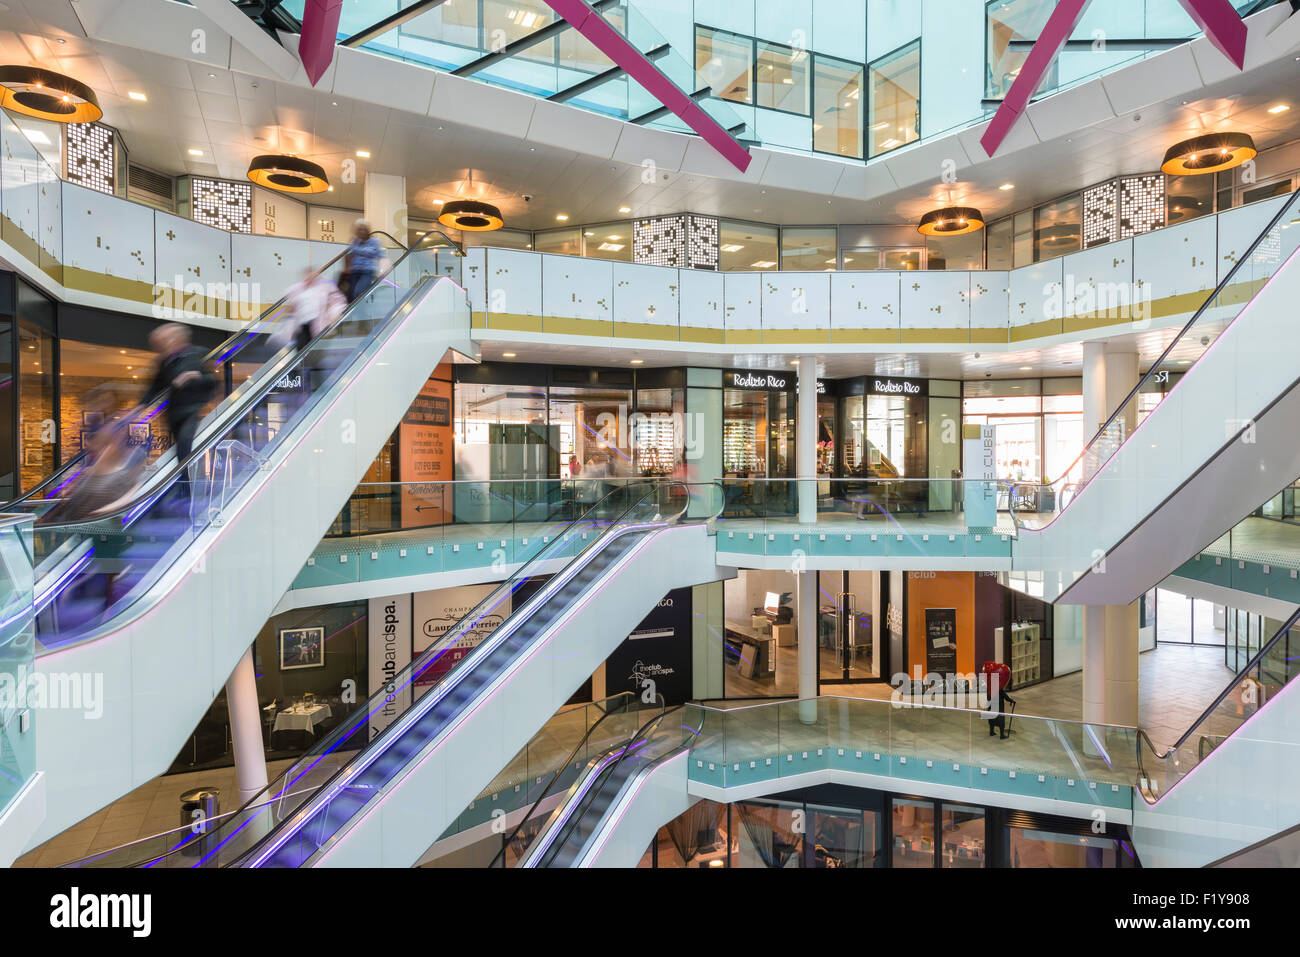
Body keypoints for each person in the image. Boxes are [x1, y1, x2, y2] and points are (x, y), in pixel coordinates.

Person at [142, 323, 218, 512]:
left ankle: (189, 492)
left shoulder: (199, 353)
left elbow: (213, 381)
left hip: (194, 410)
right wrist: (140, 406)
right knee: (178, 453)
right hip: (174, 413)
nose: (161, 347)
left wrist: (193, 376)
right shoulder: (164, 362)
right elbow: (154, 386)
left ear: (178, 339)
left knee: (185, 448)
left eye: (164, 341)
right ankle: (184, 489)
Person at [341, 220, 383, 304]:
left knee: (358, 292)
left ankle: (362, 313)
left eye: (363, 229)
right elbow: (349, 254)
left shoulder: (374, 241)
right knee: (350, 295)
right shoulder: (355, 241)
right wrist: (347, 268)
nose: (361, 231)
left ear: (368, 230)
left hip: (367, 271)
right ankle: (356, 314)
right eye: (359, 229)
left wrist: (355, 248)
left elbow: (373, 253)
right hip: (354, 271)